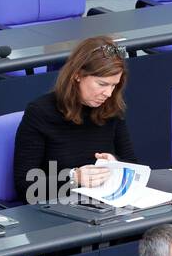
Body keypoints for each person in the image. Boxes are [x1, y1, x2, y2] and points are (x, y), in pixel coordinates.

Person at [13, 36, 137, 203]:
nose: (108, 94)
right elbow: (25, 187)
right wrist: (74, 178)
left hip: (106, 203)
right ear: (78, 75)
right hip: (60, 207)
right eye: (102, 84)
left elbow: (132, 164)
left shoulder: (111, 107)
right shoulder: (40, 112)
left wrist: (116, 165)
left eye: (114, 85)